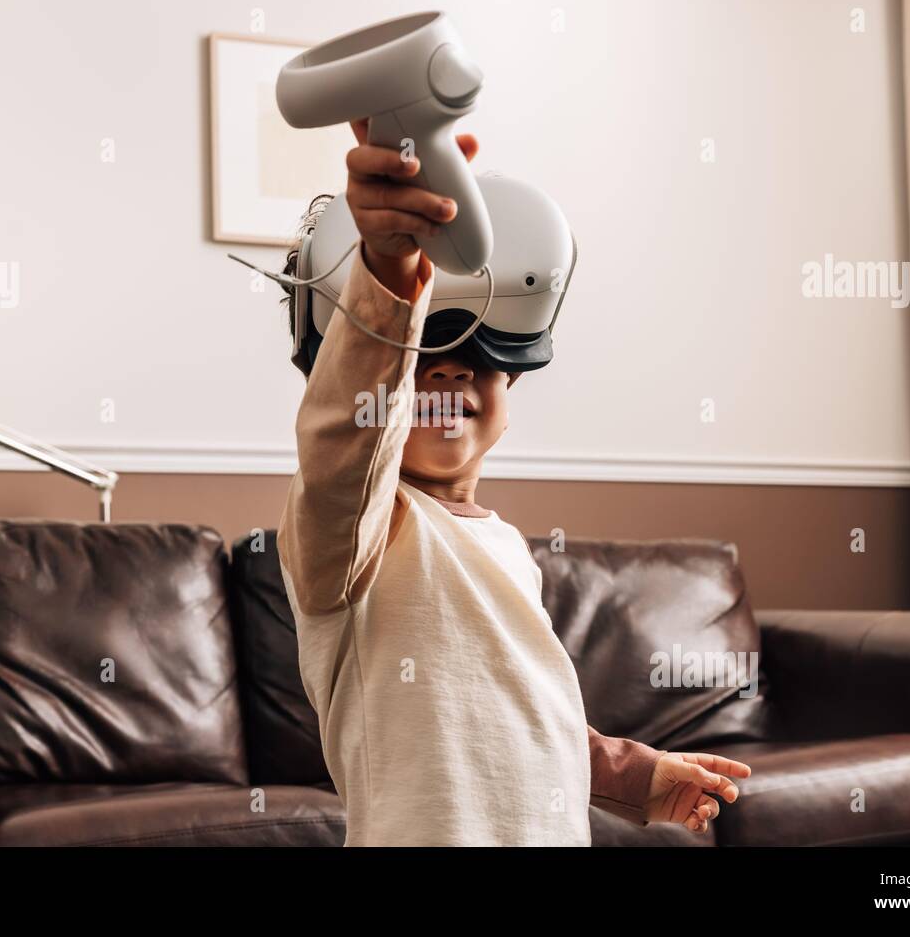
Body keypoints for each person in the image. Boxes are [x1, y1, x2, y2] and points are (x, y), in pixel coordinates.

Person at [275, 118, 751, 845]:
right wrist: (388, 272)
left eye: (482, 352)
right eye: (426, 350)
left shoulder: (505, 547)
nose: (451, 367)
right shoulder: (353, 532)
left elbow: (527, 714)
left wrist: (633, 773)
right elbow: (345, 444)